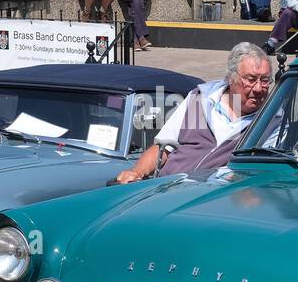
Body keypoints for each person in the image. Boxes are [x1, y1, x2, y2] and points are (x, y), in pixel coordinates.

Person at [115, 42, 273, 181]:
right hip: (167, 187)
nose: (259, 88)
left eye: (265, 80)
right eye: (251, 79)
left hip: (212, 197)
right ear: (231, 78)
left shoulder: (272, 122)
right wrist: (136, 172)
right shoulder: (199, 98)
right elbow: (162, 148)